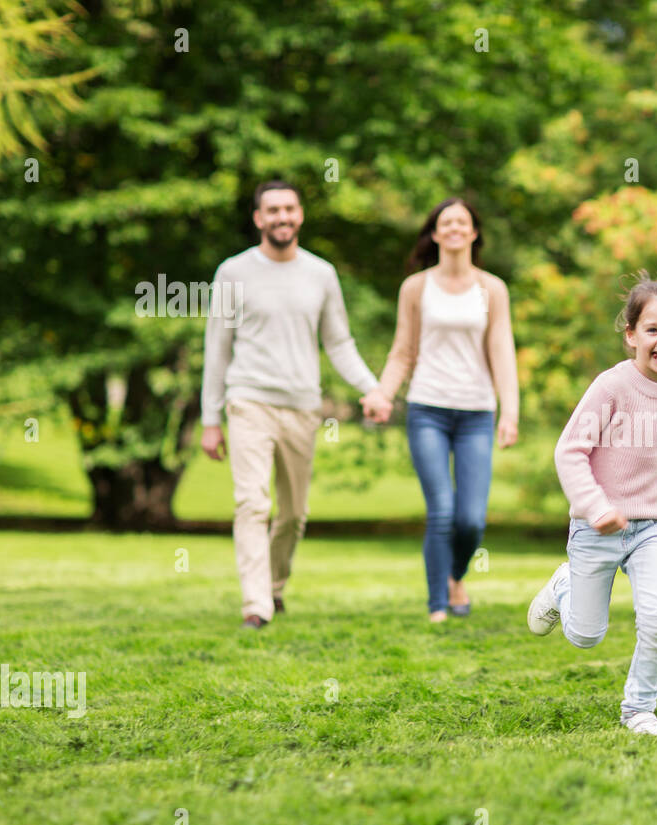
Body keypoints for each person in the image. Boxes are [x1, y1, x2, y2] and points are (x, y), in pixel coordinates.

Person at [201, 180, 392, 628]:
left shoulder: (320, 274)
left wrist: (372, 388)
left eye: (289, 209)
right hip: (249, 401)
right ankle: (256, 606)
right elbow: (217, 348)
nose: (281, 217)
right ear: (258, 218)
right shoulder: (233, 272)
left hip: (303, 407)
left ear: (300, 215)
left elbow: (338, 342)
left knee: (292, 515)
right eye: (272, 210)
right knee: (252, 504)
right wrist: (211, 419)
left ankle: (274, 586)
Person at [526, 268, 657, 736]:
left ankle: (638, 710)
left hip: (649, 529)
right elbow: (570, 451)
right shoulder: (611, 387)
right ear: (631, 335)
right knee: (586, 636)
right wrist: (595, 507)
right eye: (652, 329)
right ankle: (564, 585)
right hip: (596, 528)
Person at [366, 198, 519, 623]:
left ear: (473, 233)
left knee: (471, 518)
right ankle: (438, 605)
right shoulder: (416, 287)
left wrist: (510, 412)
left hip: (476, 413)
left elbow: (502, 352)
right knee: (442, 511)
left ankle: (455, 576)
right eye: (445, 222)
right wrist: (382, 394)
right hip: (427, 409)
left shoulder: (492, 289)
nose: (454, 228)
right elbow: (403, 352)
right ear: (435, 234)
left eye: (462, 222)